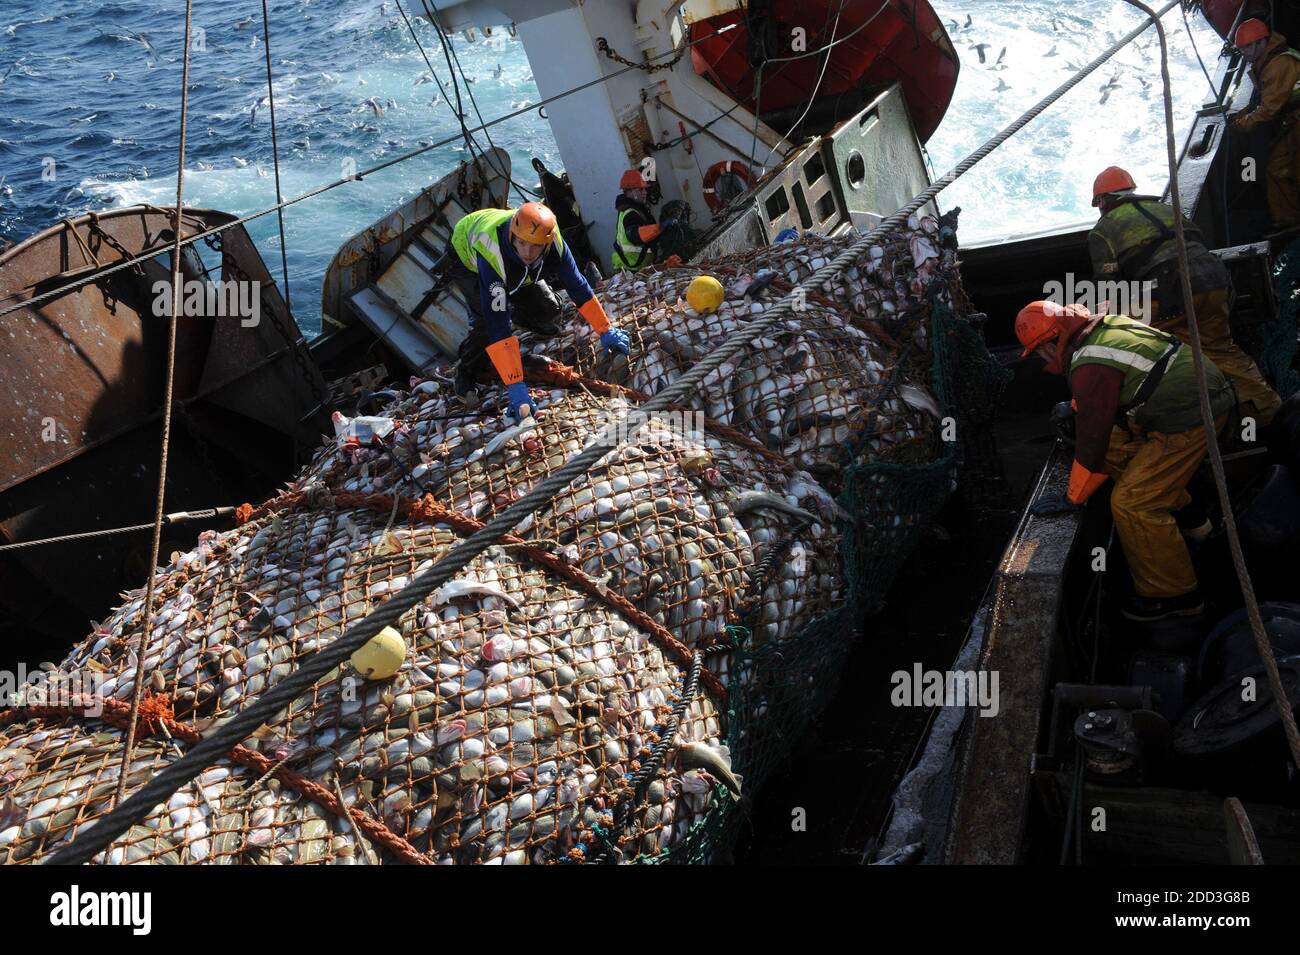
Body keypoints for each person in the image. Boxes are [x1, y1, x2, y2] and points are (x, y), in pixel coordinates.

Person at [1017, 300, 1236, 622]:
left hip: (1190, 416)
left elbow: (1093, 438)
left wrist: (1073, 497)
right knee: (1118, 452)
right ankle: (1195, 522)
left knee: (1132, 503)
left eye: (1039, 351)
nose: (1042, 359)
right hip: (1190, 400)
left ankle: (1176, 596)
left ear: (1052, 342)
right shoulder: (1105, 327)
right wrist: (1078, 408)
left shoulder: (1089, 361)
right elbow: (1118, 384)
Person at [1089, 165, 1282, 425]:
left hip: (1172, 297)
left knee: (1147, 351)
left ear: (1102, 201)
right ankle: (1273, 416)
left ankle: (1168, 425)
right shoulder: (1167, 209)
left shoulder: (1103, 230)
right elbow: (1197, 244)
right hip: (1214, 282)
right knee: (1222, 351)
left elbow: (1109, 284)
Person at [447, 202, 629, 419]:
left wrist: (605, 329)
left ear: (547, 242)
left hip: (515, 268)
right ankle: (465, 372)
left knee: (550, 309)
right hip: (467, 257)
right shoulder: (491, 254)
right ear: (514, 234)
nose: (527, 251)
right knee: (487, 325)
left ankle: (515, 310)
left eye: (535, 246)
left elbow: (577, 285)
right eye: (522, 243)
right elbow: (497, 323)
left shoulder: (554, 242)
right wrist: (515, 384)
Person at [1230, 18, 1300, 229]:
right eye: (1242, 49)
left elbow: (1269, 109)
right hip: (1292, 121)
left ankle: (1290, 221)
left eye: (1249, 47)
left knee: (1281, 168)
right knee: (1280, 168)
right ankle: (1289, 220)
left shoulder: (1278, 64)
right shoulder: (1269, 59)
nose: (1246, 53)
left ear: (1262, 42)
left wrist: (1243, 123)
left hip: (1295, 123)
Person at [611, 169, 675, 272]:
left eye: (644, 189)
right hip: (629, 270)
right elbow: (634, 235)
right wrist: (660, 227)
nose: (645, 192)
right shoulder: (630, 213)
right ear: (629, 191)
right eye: (641, 189)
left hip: (636, 268)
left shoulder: (636, 210)